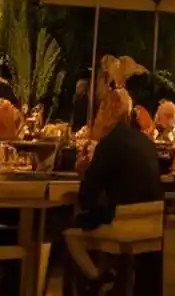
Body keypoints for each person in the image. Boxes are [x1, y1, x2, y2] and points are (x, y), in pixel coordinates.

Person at [68, 89, 163, 288]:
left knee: (71, 232)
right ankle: (111, 278)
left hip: (122, 223)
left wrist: (85, 170)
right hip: (153, 222)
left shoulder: (109, 143)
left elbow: (87, 195)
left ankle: (96, 278)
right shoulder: (146, 142)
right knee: (98, 217)